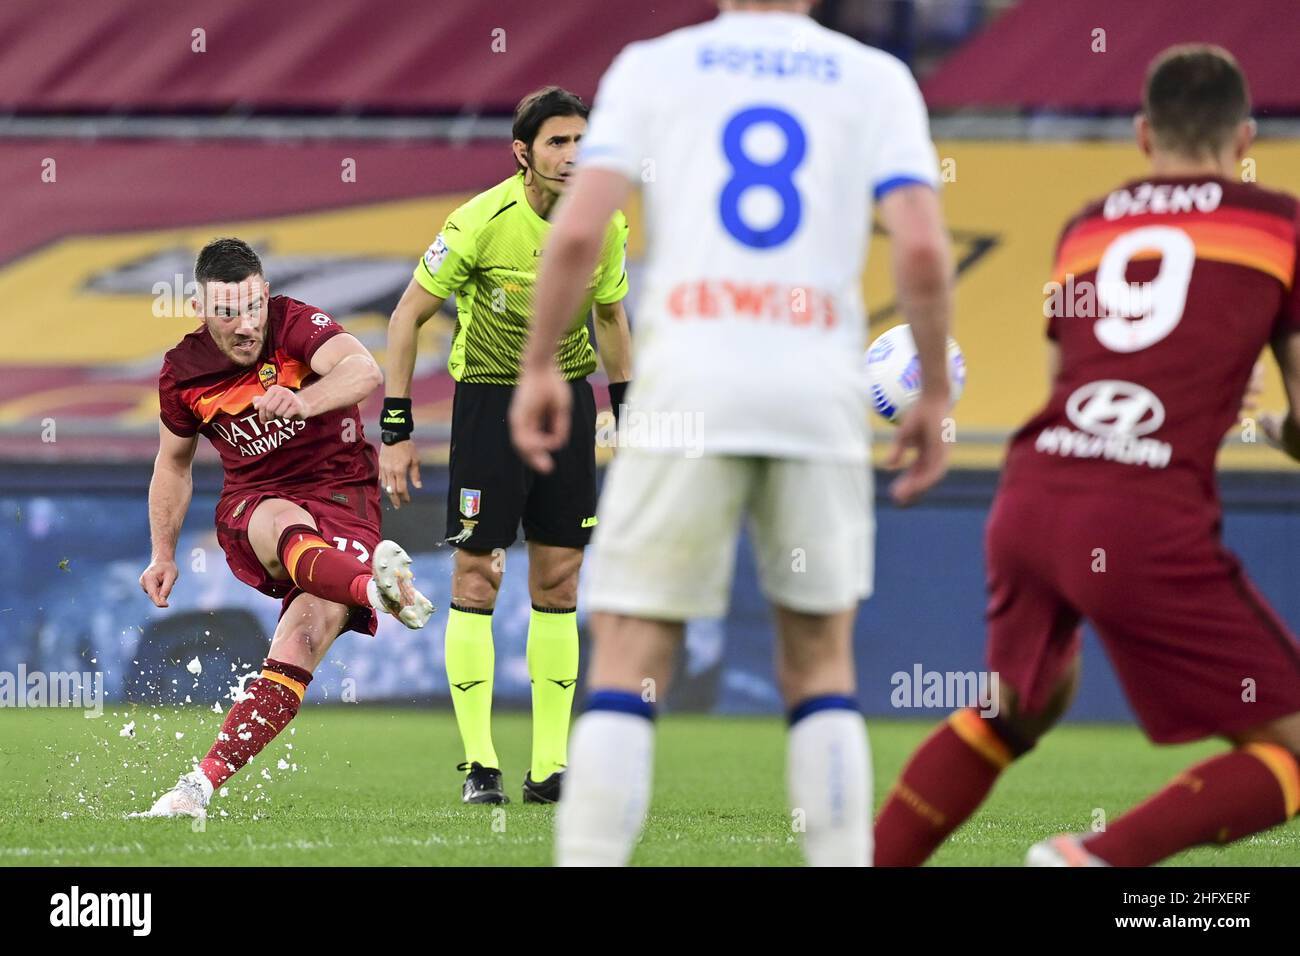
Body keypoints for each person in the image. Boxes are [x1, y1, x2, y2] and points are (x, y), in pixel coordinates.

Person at [510, 0, 954, 865]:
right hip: (816, 388)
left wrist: (537, 369)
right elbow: (925, 251)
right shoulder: (875, 79)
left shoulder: (654, 66)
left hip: (690, 386)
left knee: (634, 649)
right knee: (821, 664)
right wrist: (933, 390)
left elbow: (576, 235)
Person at [874, 44, 1300, 867]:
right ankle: (1095, 860)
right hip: (1141, 515)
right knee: (1291, 746)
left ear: (1142, 135)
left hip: (1032, 495)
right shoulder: (1279, 224)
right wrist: (1275, 429)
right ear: (1245, 138)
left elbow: (1069, 381)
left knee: (1015, 709)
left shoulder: (1087, 227)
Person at [380, 87, 633, 804]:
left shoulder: (605, 221)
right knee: (477, 576)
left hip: (569, 408)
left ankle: (550, 769)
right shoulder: (479, 222)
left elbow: (611, 314)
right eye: (558, 142)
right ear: (523, 152)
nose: (574, 155)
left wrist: (630, 409)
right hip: (490, 405)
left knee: (559, 579)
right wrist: (395, 431)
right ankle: (480, 763)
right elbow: (407, 317)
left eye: (583, 140)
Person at [137, 237, 433, 818]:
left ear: (265, 295)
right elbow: (172, 464)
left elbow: (362, 370)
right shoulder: (184, 373)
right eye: (226, 313)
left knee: (300, 640)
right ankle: (375, 589)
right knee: (281, 517)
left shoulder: (297, 323)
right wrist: (162, 552)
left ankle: (197, 787)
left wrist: (305, 400)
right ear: (202, 310)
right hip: (258, 504)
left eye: (252, 307)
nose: (244, 325)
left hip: (344, 497)